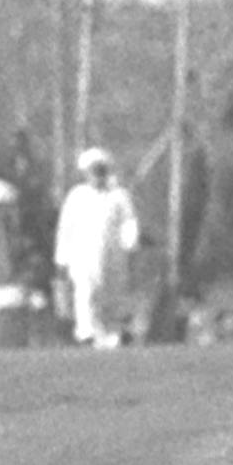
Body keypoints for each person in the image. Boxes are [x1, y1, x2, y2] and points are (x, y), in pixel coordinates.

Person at [54, 144, 142, 345]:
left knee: (111, 294)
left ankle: (112, 335)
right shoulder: (77, 196)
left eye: (101, 170)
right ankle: (86, 333)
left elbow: (129, 223)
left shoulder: (119, 196)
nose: (97, 175)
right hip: (82, 256)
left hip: (113, 256)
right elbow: (66, 228)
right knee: (85, 293)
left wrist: (130, 245)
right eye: (93, 171)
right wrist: (61, 259)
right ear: (86, 173)